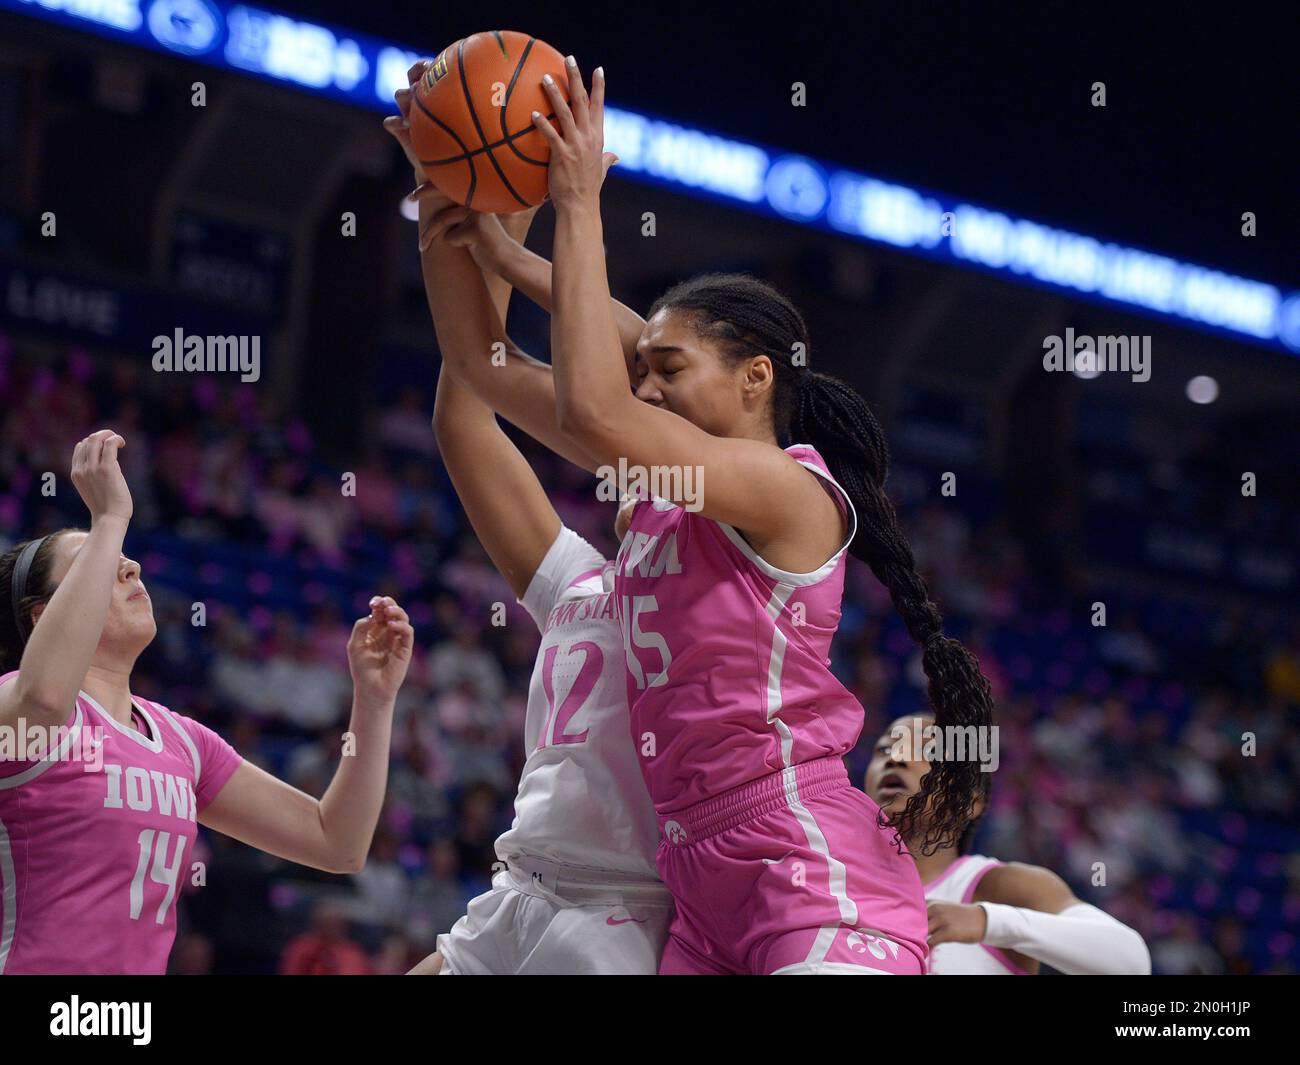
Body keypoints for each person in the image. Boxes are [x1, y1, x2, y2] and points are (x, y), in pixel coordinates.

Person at [410, 58, 995, 974]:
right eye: (643, 370)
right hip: (698, 885)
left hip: (805, 860)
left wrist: (575, 204)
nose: (646, 388)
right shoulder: (656, 504)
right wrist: (451, 205)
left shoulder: (790, 488)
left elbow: (593, 408)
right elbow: (480, 371)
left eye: (668, 372)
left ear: (758, 376)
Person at [386, 62, 672, 975]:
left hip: (625, 910)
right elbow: (466, 408)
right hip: (519, 888)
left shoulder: (735, 542)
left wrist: (552, 213)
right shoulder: (580, 580)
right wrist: (467, 202)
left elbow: (628, 372)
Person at [0, 430, 413, 974]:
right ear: (40, 616)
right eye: (97, 564)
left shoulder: (184, 742)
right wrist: (107, 519)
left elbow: (336, 843)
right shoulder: (18, 702)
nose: (130, 567)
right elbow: (47, 696)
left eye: (124, 556)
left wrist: (374, 701)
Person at [865, 713, 1151, 974]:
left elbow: (1131, 963)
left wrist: (988, 922)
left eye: (926, 751)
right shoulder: (826, 882)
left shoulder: (996, 887)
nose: (897, 758)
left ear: (970, 802)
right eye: (884, 750)